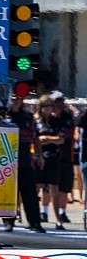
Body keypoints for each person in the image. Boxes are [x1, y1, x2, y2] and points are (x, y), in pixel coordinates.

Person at [4, 93, 45, 233]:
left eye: (18, 98)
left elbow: (36, 137)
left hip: (25, 158)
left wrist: (39, 155)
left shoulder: (27, 116)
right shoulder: (4, 115)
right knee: (10, 194)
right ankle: (9, 222)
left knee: (30, 194)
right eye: (13, 98)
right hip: (7, 159)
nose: (16, 101)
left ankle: (35, 222)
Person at [34, 94, 66, 229]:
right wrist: (43, 144)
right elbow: (36, 140)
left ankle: (58, 220)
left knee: (54, 188)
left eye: (50, 106)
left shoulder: (55, 120)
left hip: (53, 155)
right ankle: (34, 217)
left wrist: (46, 138)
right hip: (39, 157)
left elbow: (61, 139)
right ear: (40, 107)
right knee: (37, 187)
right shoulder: (36, 121)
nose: (49, 109)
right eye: (46, 106)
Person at [51, 92, 76, 224]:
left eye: (61, 101)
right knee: (51, 186)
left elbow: (68, 134)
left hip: (66, 155)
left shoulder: (68, 117)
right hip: (53, 155)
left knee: (65, 186)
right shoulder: (50, 118)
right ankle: (45, 211)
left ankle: (62, 212)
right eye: (57, 101)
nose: (59, 104)